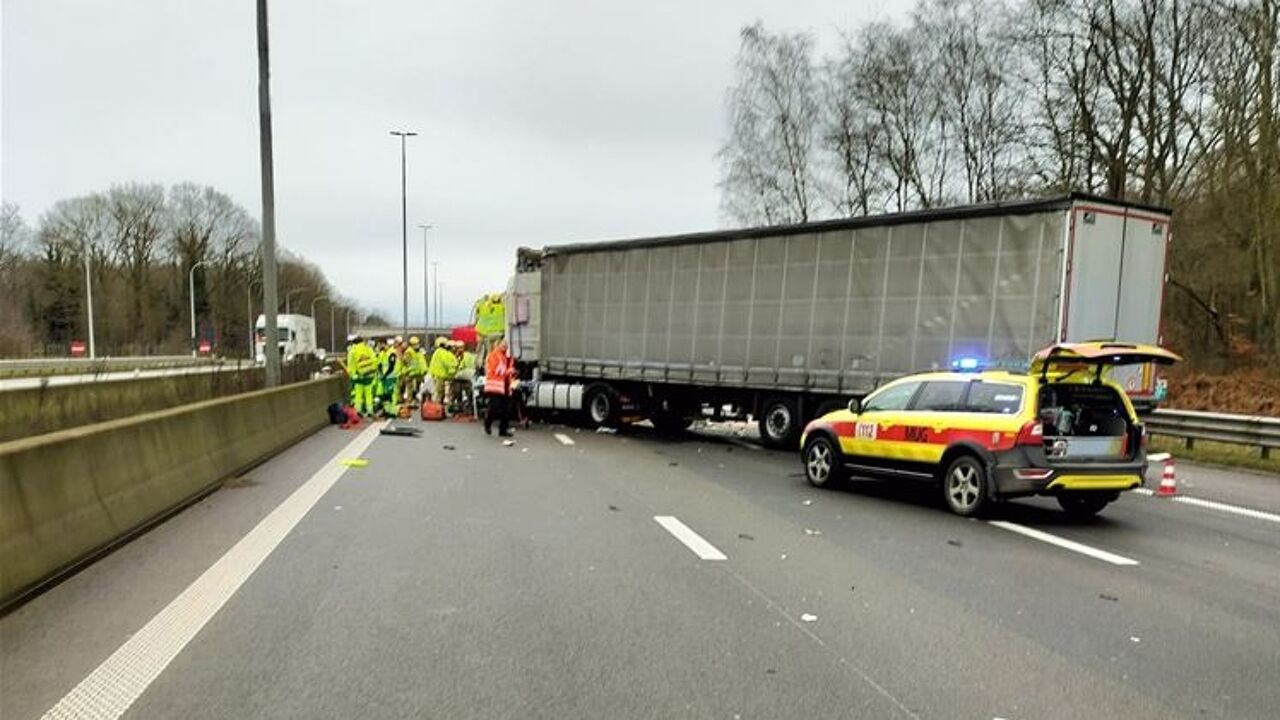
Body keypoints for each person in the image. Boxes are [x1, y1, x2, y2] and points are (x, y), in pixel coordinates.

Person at [483, 337, 516, 437]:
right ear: (497, 344)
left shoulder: (507, 357)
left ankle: (503, 430)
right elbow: (495, 369)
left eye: (506, 344)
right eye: (503, 344)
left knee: (506, 409)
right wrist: (509, 371)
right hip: (494, 386)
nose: (505, 345)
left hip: (505, 386)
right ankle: (487, 423)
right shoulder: (494, 355)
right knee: (494, 408)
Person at [344, 334, 379, 417]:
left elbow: (350, 364)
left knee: (358, 394)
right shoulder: (368, 348)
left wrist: (353, 375)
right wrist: (373, 370)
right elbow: (375, 360)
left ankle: (358, 410)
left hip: (359, 375)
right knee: (368, 393)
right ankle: (370, 411)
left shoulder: (353, 350)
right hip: (369, 374)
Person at [428, 336, 459, 409]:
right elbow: (447, 363)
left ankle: (438, 408)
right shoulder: (442, 352)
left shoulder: (437, 352)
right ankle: (436, 409)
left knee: (439, 392)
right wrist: (453, 370)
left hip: (437, 375)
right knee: (439, 393)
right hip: (440, 375)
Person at [377, 338, 401, 417]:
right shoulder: (382, 353)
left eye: (381, 345)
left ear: (385, 344)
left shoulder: (391, 353)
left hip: (390, 376)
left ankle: (392, 411)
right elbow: (379, 364)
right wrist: (380, 374)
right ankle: (386, 410)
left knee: (391, 394)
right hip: (384, 377)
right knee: (385, 394)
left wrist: (385, 375)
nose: (379, 346)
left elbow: (391, 366)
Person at [401, 336, 427, 405]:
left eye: (417, 344)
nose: (417, 346)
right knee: (411, 388)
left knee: (416, 388)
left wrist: (423, 371)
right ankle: (410, 401)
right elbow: (406, 362)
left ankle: (413, 399)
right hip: (410, 373)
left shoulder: (418, 352)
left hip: (417, 373)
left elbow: (420, 362)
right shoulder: (409, 352)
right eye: (415, 344)